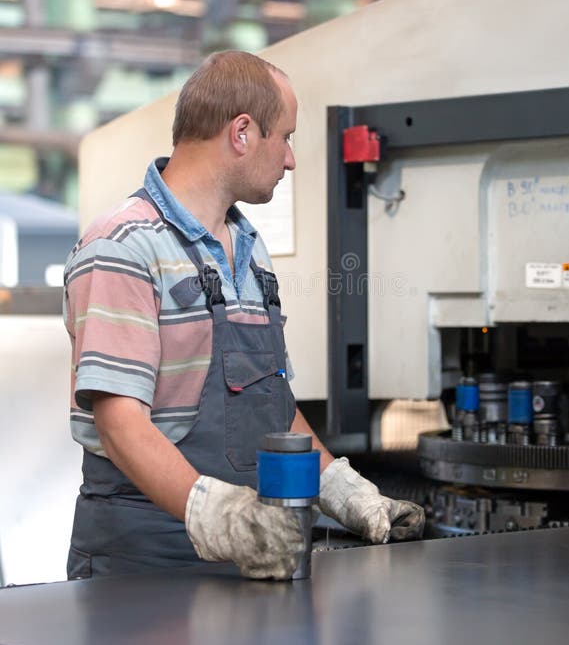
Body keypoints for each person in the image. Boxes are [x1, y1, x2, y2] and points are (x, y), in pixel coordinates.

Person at [63, 50, 424, 580]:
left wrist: (341, 491)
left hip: (245, 557)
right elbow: (120, 425)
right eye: (285, 138)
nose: (291, 158)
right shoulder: (121, 246)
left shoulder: (251, 252)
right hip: (142, 566)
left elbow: (270, 402)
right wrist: (221, 517)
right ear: (241, 133)